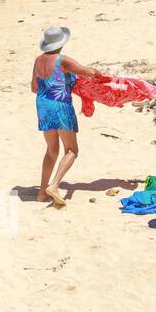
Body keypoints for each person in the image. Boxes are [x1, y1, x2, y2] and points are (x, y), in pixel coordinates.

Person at [31, 26, 105, 207]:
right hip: (61, 106)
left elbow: (34, 88)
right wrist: (98, 74)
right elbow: (89, 72)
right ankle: (54, 186)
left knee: (51, 150)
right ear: (61, 43)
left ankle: (42, 192)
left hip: (43, 106)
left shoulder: (38, 61)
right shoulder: (62, 61)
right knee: (71, 151)